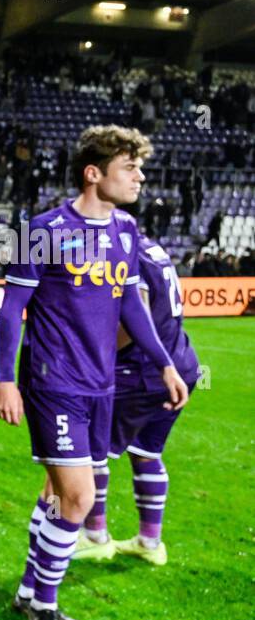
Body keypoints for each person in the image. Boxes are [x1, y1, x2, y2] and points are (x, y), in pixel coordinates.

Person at [0, 125, 190, 620]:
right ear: (94, 173)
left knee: (57, 494)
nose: (140, 177)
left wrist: (166, 364)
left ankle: (29, 590)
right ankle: (45, 609)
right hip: (54, 382)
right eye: (130, 168)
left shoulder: (126, 229)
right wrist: (5, 379)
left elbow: (131, 307)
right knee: (78, 497)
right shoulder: (42, 229)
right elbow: (12, 310)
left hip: (103, 384)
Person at [71, 232, 199, 566]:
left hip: (142, 370)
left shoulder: (121, 251)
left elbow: (134, 315)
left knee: (87, 450)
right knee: (146, 451)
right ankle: (149, 542)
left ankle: (95, 535)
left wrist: (95, 355)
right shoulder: (153, 247)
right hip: (180, 364)